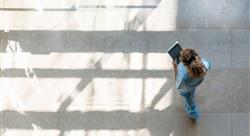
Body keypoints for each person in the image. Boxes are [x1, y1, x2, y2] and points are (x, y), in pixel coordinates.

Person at [172, 48, 211, 119]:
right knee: (192, 90)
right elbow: (208, 64)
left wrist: (175, 67)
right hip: (196, 83)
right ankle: (192, 94)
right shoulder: (205, 64)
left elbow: (178, 84)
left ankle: (193, 114)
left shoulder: (183, 74)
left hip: (186, 89)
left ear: (184, 63)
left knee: (189, 99)